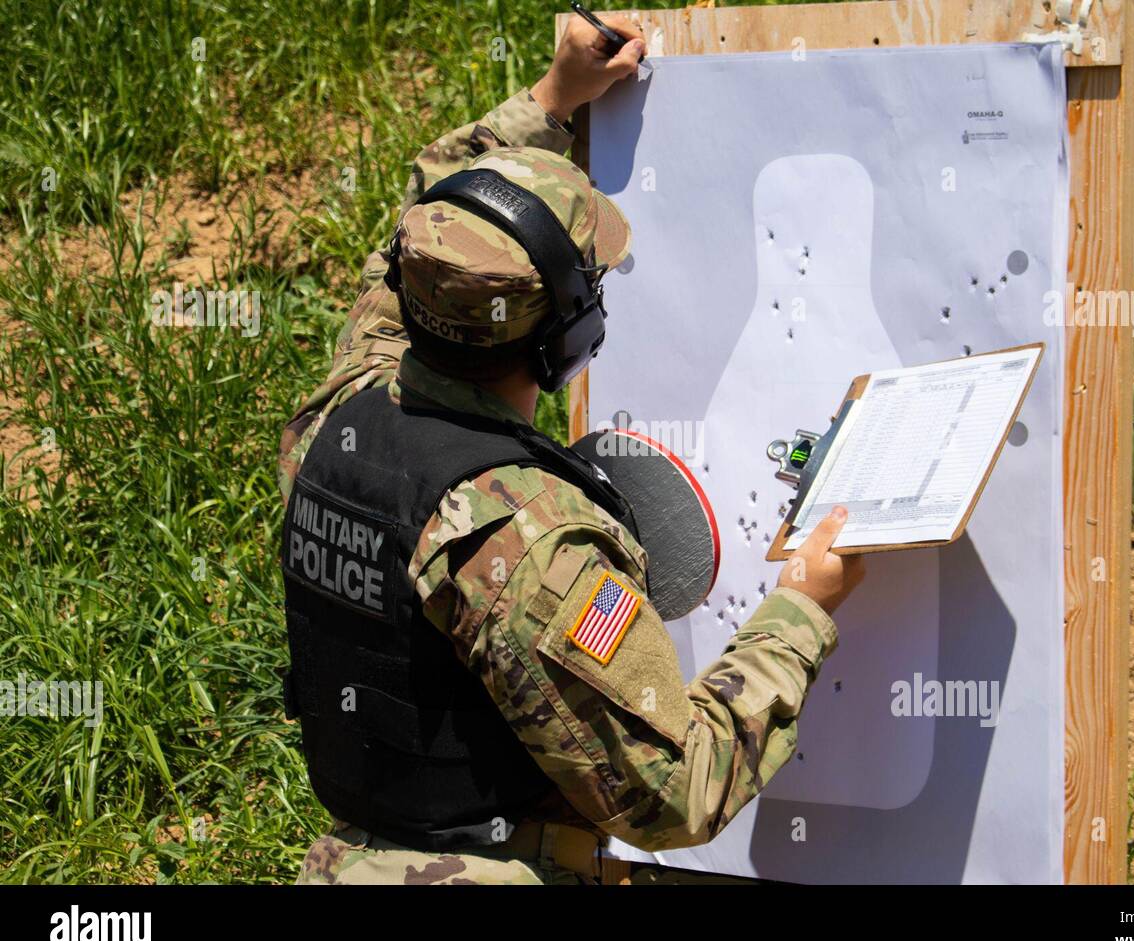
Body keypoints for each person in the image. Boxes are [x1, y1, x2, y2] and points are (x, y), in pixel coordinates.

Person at [281, 14, 866, 885]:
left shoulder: (341, 411)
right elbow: (675, 790)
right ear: (568, 335)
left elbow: (425, 217)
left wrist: (554, 98)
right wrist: (799, 613)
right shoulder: (529, 544)